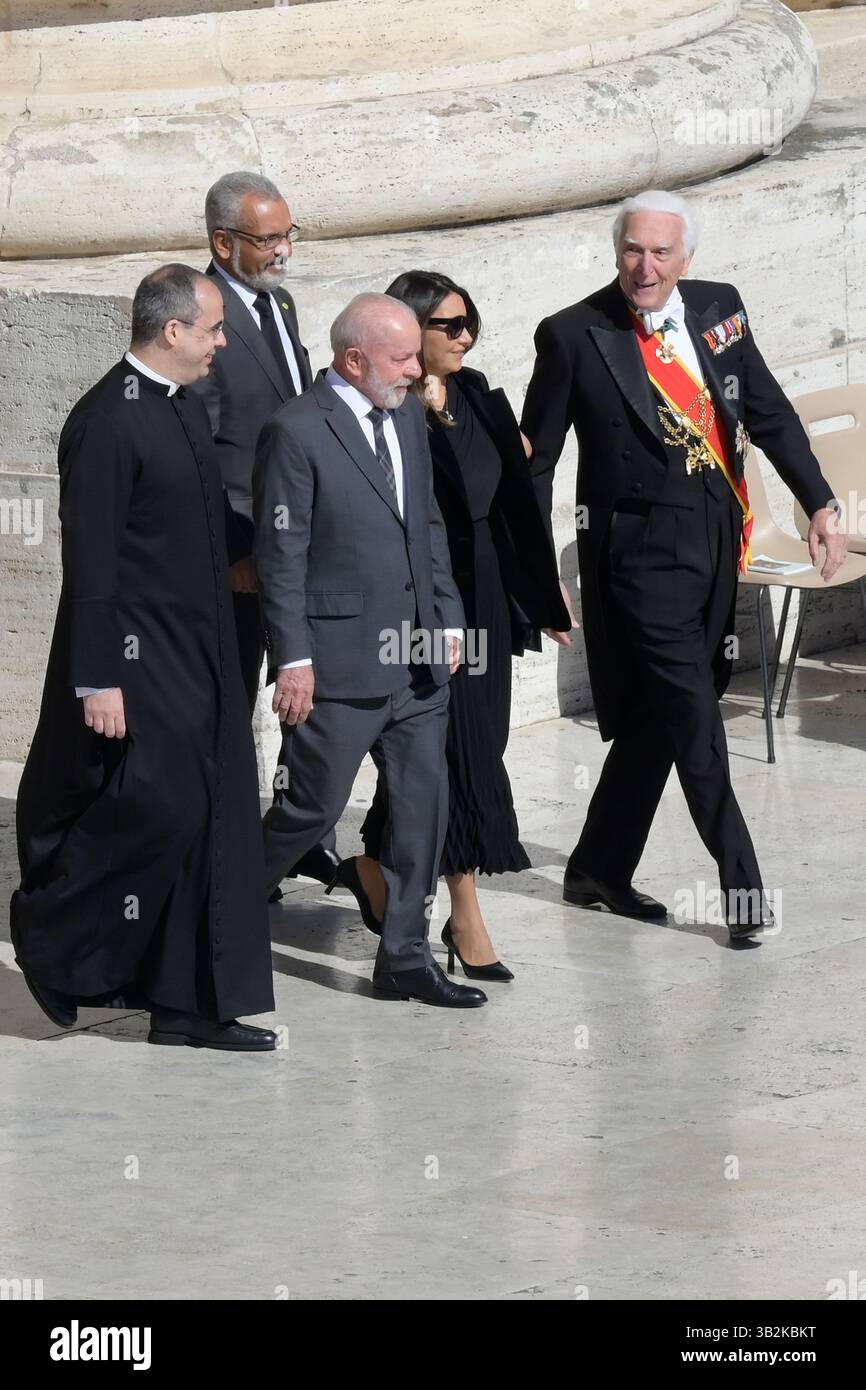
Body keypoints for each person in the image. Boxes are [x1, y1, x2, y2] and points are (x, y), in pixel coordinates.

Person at [521, 189, 846, 941]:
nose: (645, 267)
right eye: (632, 250)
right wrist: (539, 578)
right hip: (640, 562)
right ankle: (743, 893)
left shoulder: (718, 307)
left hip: (717, 543)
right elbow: (537, 465)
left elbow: (767, 412)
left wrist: (820, 503)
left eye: (661, 253)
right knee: (698, 724)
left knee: (662, 717)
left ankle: (598, 867)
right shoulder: (572, 334)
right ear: (617, 252)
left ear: (687, 258)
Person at [11, 265, 277, 1050]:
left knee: (214, 813)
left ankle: (189, 1007)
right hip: (138, 656)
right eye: (214, 329)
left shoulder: (184, 404)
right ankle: (52, 937)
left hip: (205, 646)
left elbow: (199, 516)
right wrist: (98, 677)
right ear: (172, 330)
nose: (222, 343)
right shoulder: (106, 421)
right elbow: (91, 561)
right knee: (162, 808)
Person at [337, 270, 572, 981]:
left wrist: (544, 597)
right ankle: (464, 914)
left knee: (466, 746)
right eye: (449, 325)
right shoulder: (389, 410)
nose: (465, 337)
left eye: (470, 322)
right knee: (460, 759)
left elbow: (513, 504)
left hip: (489, 598)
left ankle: (373, 864)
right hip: (428, 607)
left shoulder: (476, 394)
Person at [253, 292, 486, 1007]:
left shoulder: (408, 414)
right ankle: (218, 905)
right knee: (309, 811)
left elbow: (427, 524)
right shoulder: (295, 430)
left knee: (422, 814)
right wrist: (293, 659)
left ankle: (406, 958)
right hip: (339, 665)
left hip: (418, 661)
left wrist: (449, 617)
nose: (418, 370)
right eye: (403, 357)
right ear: (354, 360)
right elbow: (281, 557)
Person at [191, 169, 336, 889]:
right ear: (224, 242)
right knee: (236, 694)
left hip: (295, 536)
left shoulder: (280, 303)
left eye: (288, 234)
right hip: (244, 549)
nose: (283, 250)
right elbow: (198, 452)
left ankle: (294, 835)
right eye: (268, 238)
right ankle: (223, 854)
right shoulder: (200, 315)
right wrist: (235, 548)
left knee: (303, 684)